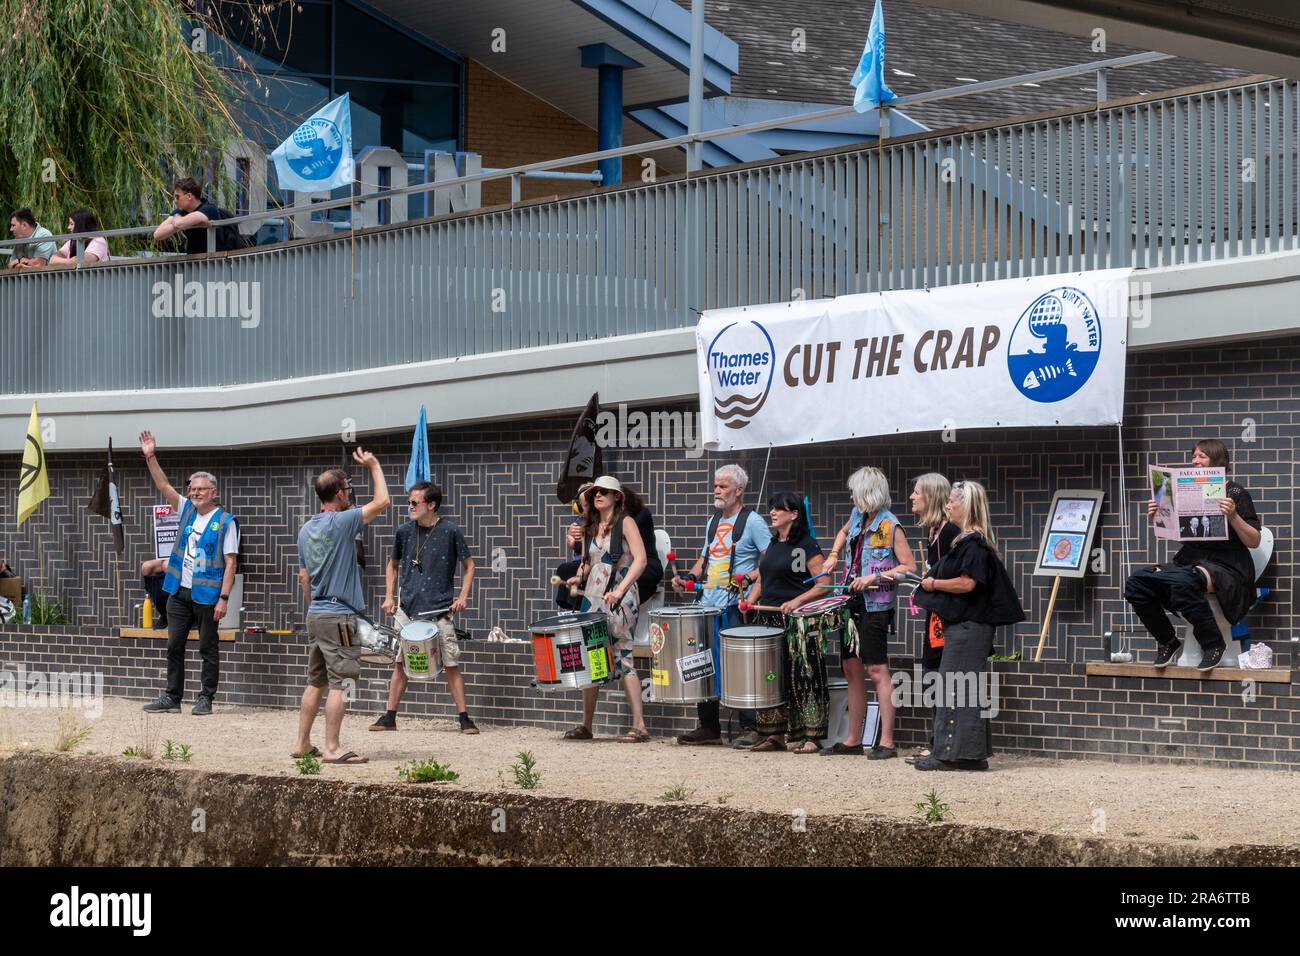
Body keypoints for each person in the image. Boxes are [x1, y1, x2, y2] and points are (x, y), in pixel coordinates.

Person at [913, 480, 1025, 771]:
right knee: (966, 689)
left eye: (952, 501)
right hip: (966, 626)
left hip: (969, 626)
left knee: (953, 686)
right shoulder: (967, 541)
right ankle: (972, 755)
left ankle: (950, 755)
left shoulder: (973, 544)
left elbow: (967, 583)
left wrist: (934, 583)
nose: (948, 506)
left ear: (966, 505)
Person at [1124, 439, 1261, 672]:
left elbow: (1254, 540)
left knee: (1182, 580)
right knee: (1136, 583)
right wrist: (1159, 516)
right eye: (1194, 456)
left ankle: (1213, 644)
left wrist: (1233, 516)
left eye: (1202, 456)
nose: (1195, 460)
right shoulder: (1182, 490)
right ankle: (1167, 640)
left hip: (1228, 565)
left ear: (1217, 460)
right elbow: (1185, 535)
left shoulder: (1235, 492)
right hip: (1193, 560)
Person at [294, 451, 391, 765]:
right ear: (339, 494)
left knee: (316, 681)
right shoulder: (343, 520)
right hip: (339, 616)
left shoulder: (305, 530)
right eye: (348, 489)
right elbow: (382, 502)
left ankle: (303, 744)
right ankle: (333, 748)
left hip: (316, 614)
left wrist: (317, 606)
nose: (350, 495)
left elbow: (304, 577)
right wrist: (375, 466)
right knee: (342, 681)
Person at [138, 431, 240, 716]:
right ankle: (172, 697)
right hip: (179, 592)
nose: (195, 492)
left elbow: (230, 563)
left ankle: (206, 698)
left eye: (201, 489)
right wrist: (150, 456)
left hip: (208, 596)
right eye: (192, 488)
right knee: (174, 645)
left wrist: (224, 598)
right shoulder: (186, 510)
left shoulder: (225, 521)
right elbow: (163, 485)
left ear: (214, 493)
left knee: (208, 649)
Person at [671, 464, 772, 747]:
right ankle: (708, 726)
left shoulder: (753, 522)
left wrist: (752, 583)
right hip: (707, 605)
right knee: (703, 665)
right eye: (716, 485)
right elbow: (705, 560)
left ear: (738, 490)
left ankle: (751, 726)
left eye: (723, 486)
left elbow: (772, 560)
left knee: (741, 665)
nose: (716, 490)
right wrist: (689, 577)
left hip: (735, 606)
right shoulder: (713, 521)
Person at [822, 467, 917, 757]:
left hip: (876, 604)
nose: (851, 495)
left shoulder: (891, 526)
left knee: (876, 669)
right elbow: (842, 533)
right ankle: (853, 739)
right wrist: (834, 555)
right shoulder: (856, 517)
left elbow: (909, 568)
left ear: (867, 492)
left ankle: (886, 742)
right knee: (851, 667)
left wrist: (873, 578)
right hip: (851, 600)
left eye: (855, 490)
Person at [370, 481, 478, 734]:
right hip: (407, 609)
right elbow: (392, 565)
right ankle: (389, 716)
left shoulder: (450, 531)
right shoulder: (404, 531)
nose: (410, 507)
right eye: (409, 502)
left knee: (451, 664)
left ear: (431, 504)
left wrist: (463, 596)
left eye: (414, 503)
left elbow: (469, 565)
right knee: (399, 664)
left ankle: (464, 718)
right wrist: (389, 597)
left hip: (439, 610)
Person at [562, 476, 651, 742]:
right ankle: (586, 725)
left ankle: (640, 726)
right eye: (595, 492)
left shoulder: (626, 522)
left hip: (620, 595)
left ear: (616, 497)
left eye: (604, 491)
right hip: (596, 595)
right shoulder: (592, 526)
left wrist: (621, 589)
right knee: (592, 657)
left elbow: (641, 560)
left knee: (623, 655)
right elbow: (590, 562)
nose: (598, 495)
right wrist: (579, 577)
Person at [745, 492, 831, 753]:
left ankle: (811, 736)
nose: (772, 513)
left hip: (799, 622)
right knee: (770, 676)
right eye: (771, 509)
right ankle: (775, 735)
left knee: (804, 676)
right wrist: (749, 601)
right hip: (769, 618)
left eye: (778, 509)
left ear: (794, 514)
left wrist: (797, 601)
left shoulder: (807, 545)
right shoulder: (772, 544)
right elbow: (763, 579)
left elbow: (824, 584)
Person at [905, 473, 960, 764]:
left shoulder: (950, 532)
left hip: (947, 616)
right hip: (934, 613)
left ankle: (941, 743)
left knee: (940, 675)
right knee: (932, 674)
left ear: (931, 497)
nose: (912, 497)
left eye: (917, 492)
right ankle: (935, 740)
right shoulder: (932, 532)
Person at [153, 177, 222, 255]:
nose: (175, 201)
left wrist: (176, 220)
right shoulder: (179, 213)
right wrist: (179, 220)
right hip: (193, 264)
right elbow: (157, 234)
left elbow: (178, 224)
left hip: (214, 263)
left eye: (177, 197)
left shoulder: (209, 209)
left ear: (189, 196)